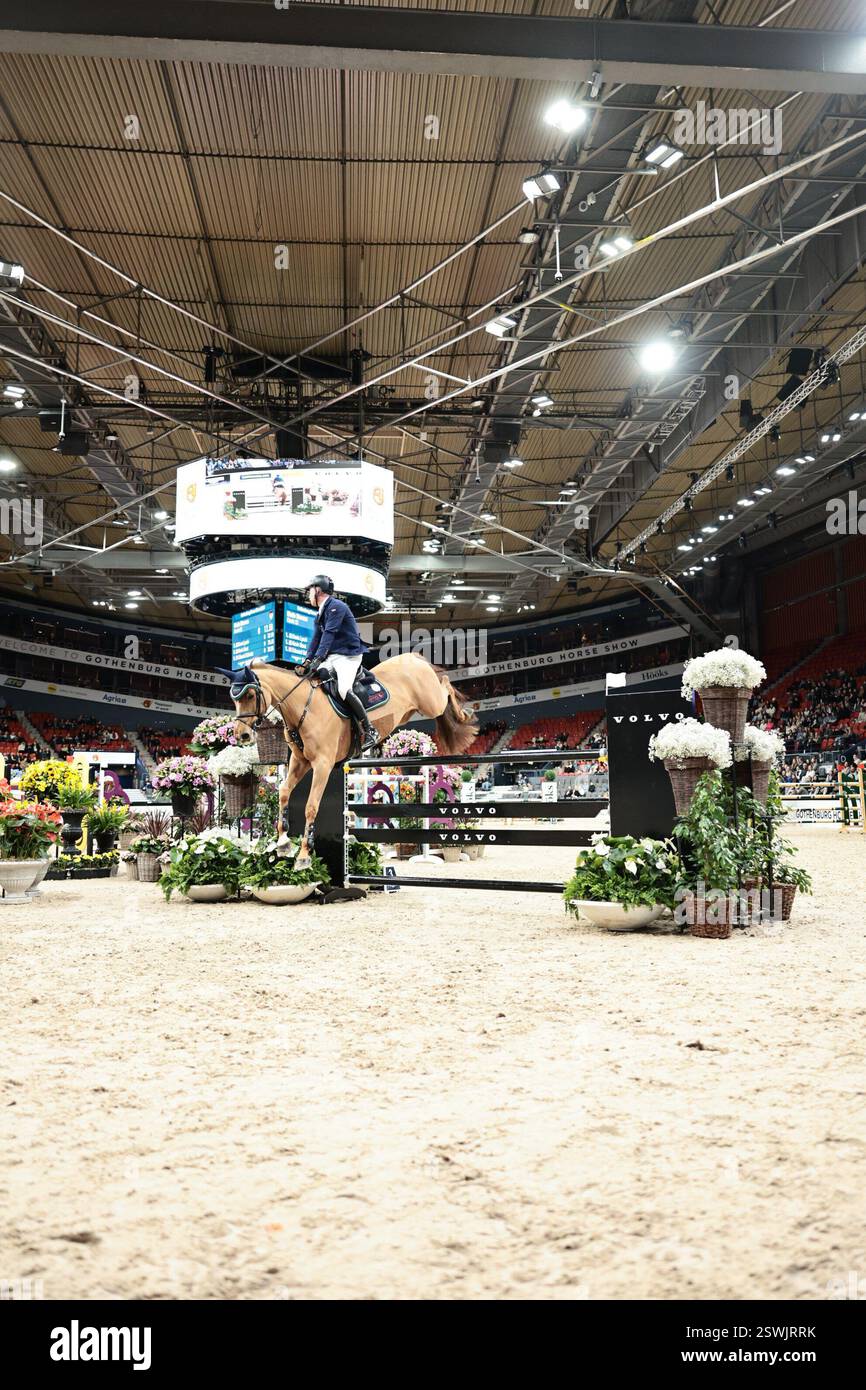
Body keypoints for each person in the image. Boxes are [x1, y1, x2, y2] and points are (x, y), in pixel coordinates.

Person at [299, 575, 378, 753]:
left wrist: (318, 658)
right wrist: (307, 661)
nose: (308, 594)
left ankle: (370, 729)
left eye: (310, 590)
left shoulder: (337, 606)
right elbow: (316, 639)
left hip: (348, 655)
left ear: (318, 590)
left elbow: (329, 634)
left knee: (343, 689)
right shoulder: (320, 613)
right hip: (333, 656)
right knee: (311, 678)